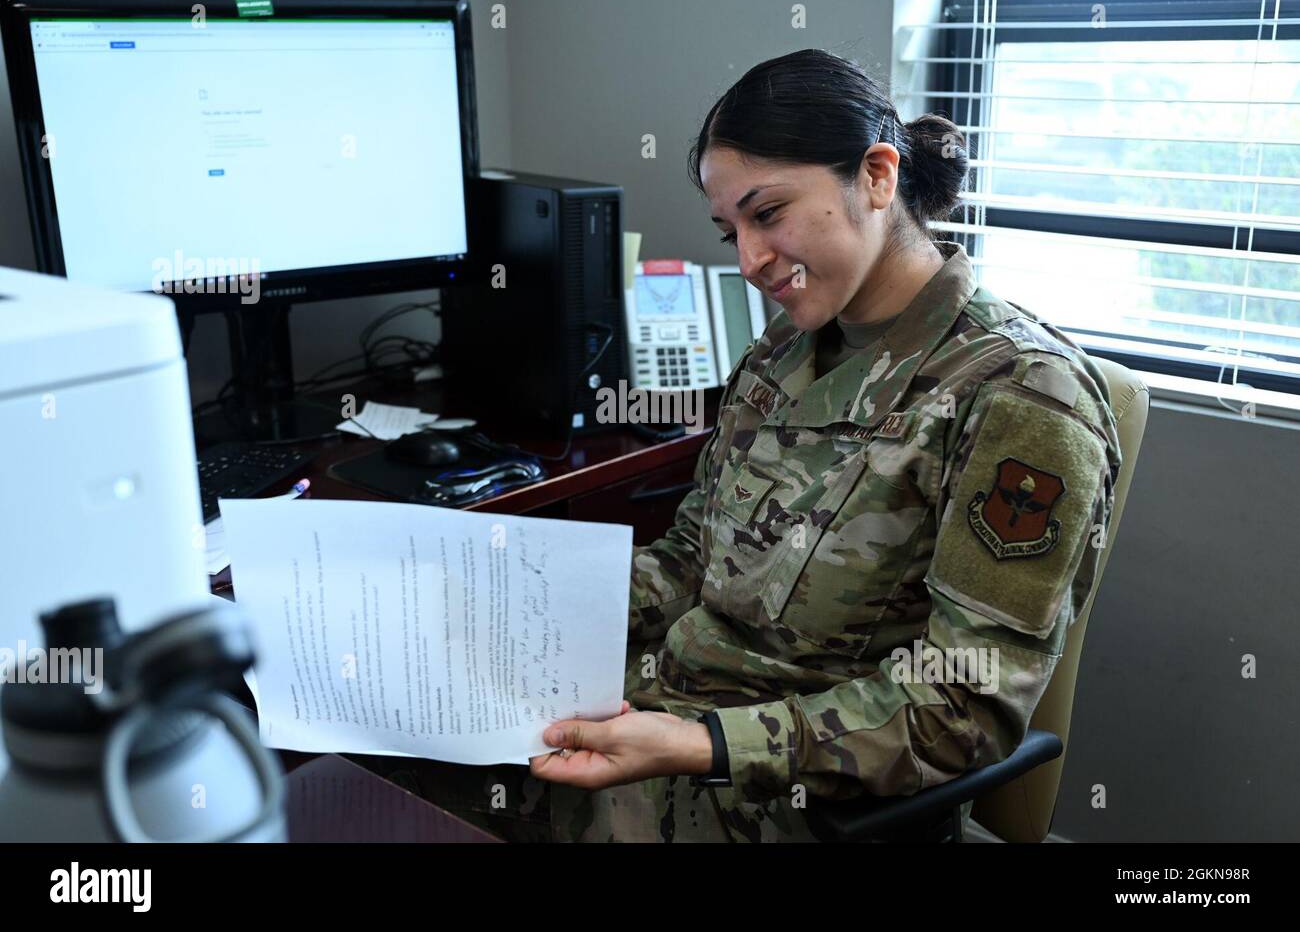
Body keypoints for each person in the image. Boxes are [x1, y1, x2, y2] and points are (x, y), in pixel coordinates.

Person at [367, 48, 1123, 843]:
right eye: (731, 230)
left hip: (785, 796)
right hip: (658, 714)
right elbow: (691, 560)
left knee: (386, 801)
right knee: (374, 734)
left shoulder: (1023, 398)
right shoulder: (786, 352)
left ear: (875, 174)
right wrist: (515, 612)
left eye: (769, 214)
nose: (750, 261)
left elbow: (961, 709)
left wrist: (700, 746)